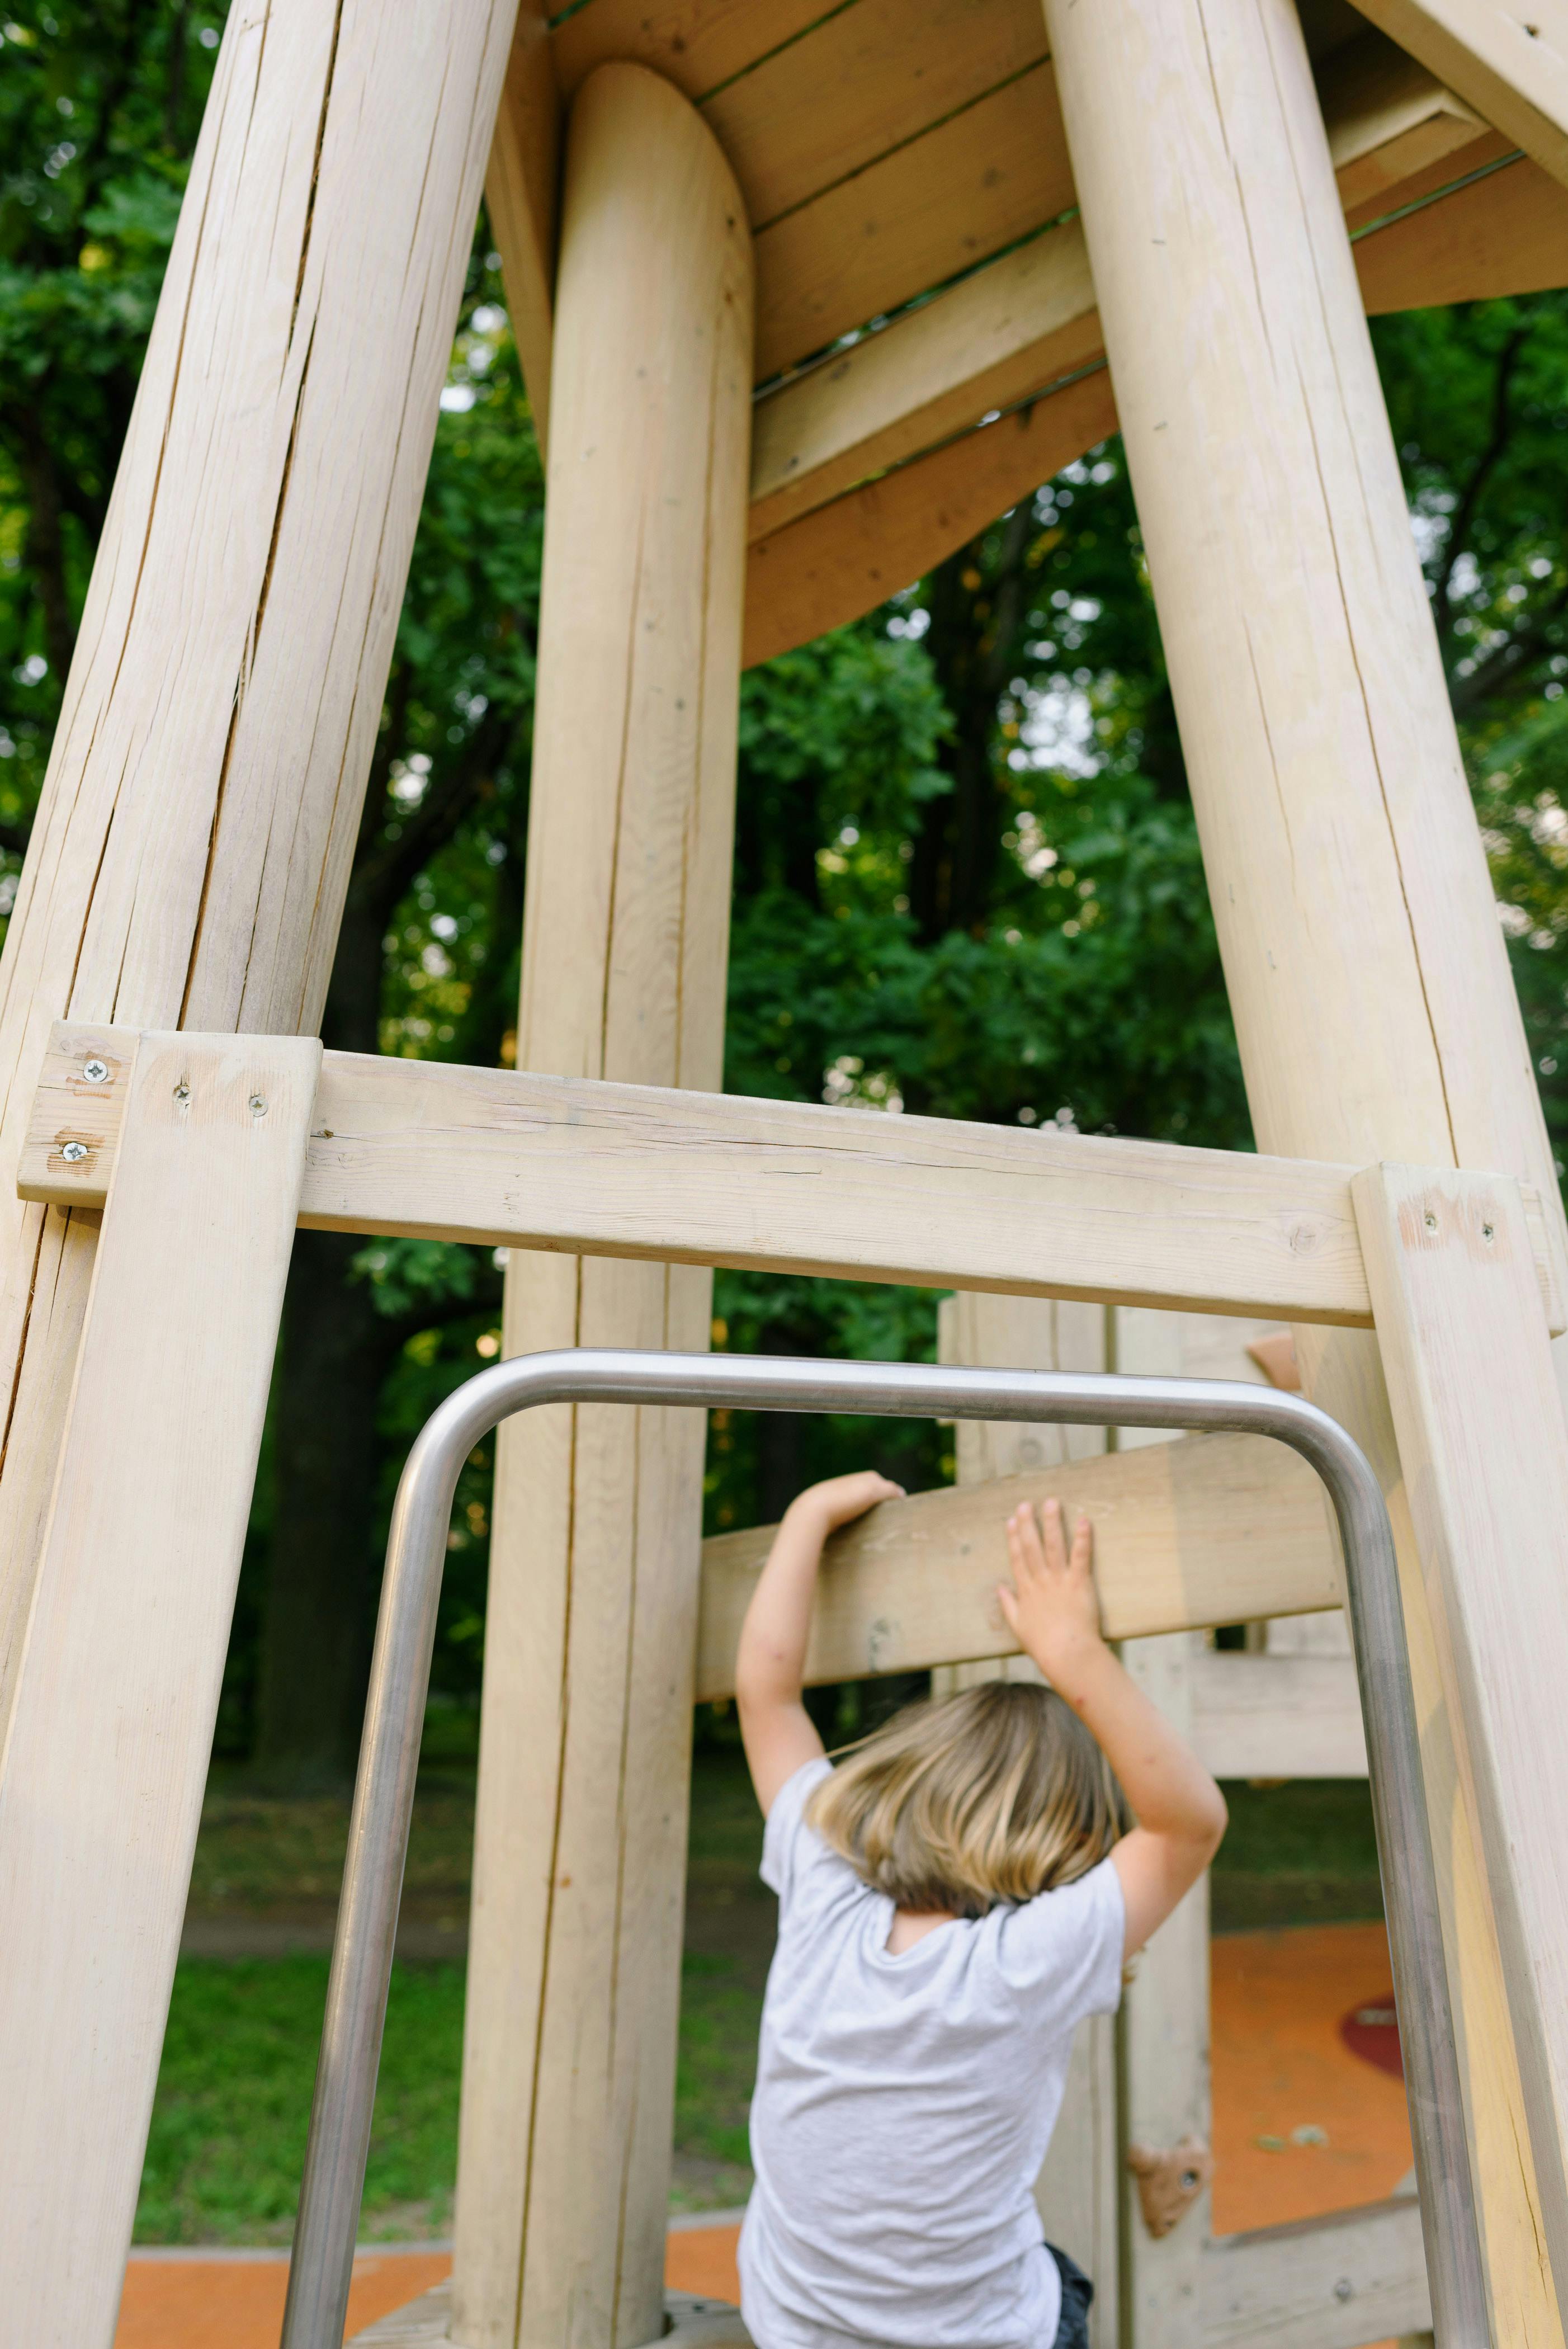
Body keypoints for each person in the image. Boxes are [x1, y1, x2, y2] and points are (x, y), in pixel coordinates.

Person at [733, 1470, 1229, 2349]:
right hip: (976, 2337)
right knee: (1056, 2283)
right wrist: (1071, 1649)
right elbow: (1190, 1823)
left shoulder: (821, 1887)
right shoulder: (1023, 1960)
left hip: (800, 2328)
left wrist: (806, 1516)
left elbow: (766, 1695)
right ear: (1075, 1837)